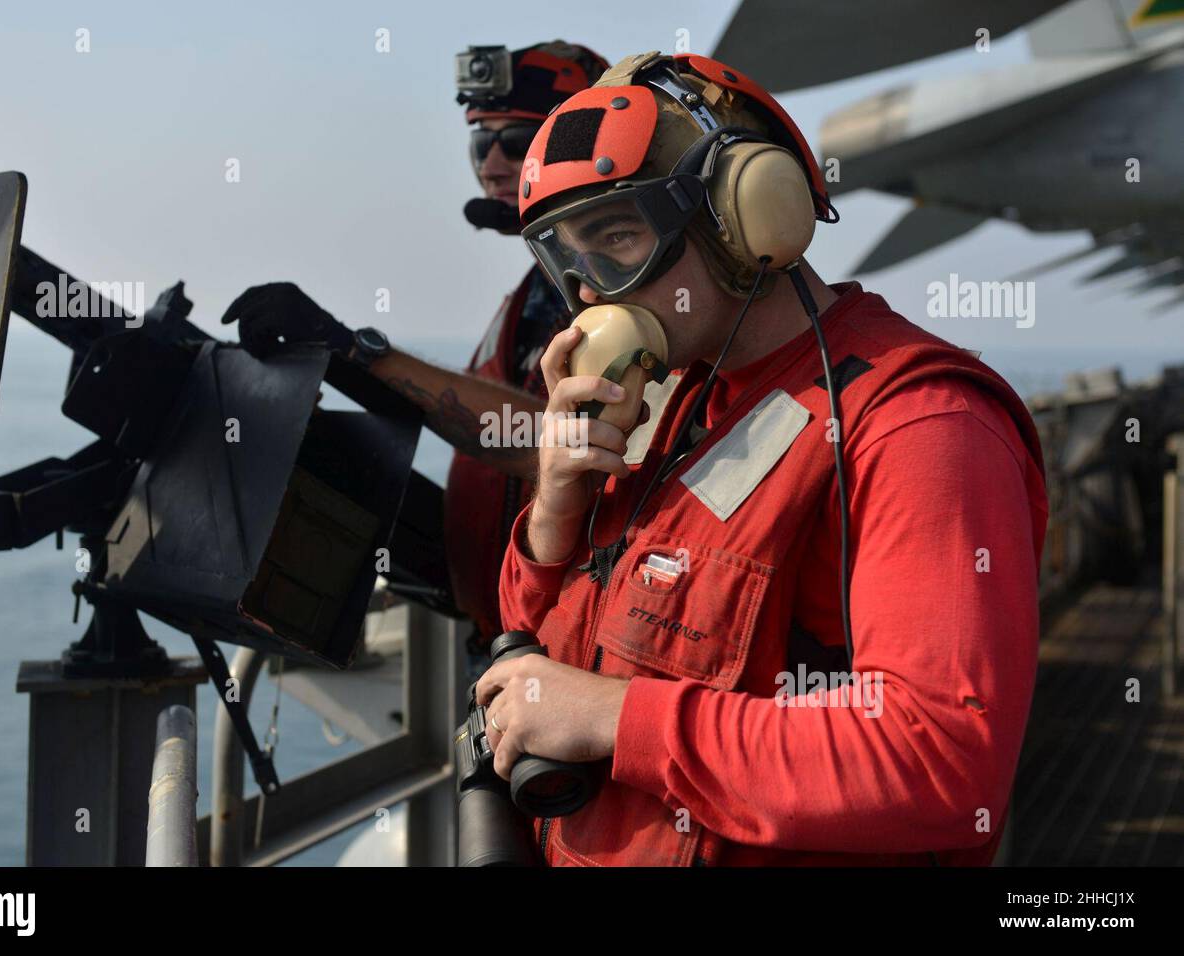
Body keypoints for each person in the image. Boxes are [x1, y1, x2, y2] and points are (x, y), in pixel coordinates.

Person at [475, 51, 1050, 866]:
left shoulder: (922, 427)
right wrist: (554, 514)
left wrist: (616, 717)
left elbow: (940, 765)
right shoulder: (673, 400)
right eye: (570, 260)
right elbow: (535, 650)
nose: (597, 294)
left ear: (747, 218)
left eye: (618, 238)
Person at [222, 42, 608, 652]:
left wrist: (359, 348)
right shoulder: (531, 296)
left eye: (516, 142)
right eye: (481, 144)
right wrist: (338, 354)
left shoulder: (615, 294)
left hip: (568, 652)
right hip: (506, 639)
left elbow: (550, 443)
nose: (494, 165)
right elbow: (470, 411)